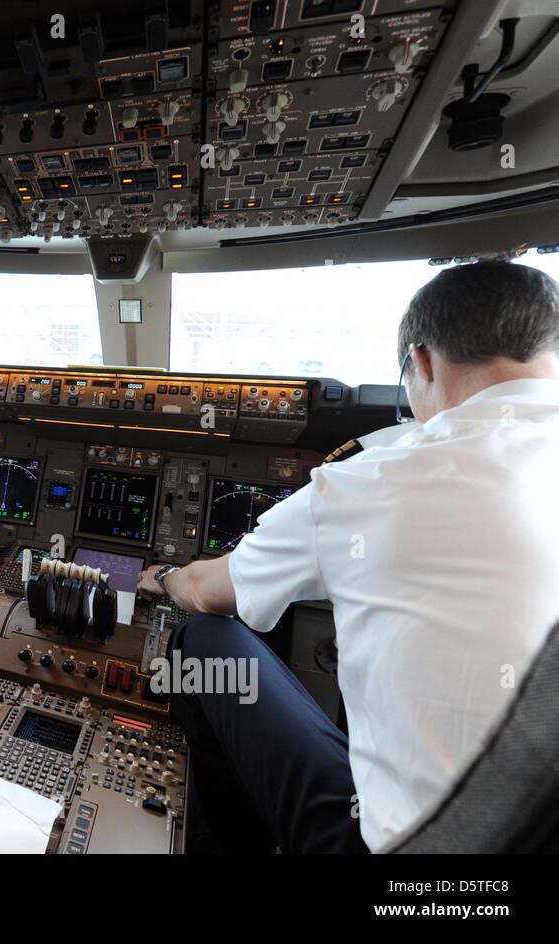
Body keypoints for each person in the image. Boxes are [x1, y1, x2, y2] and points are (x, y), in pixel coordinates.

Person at [137, 260, 559, 852]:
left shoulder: (368, 480)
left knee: (202, 638)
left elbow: (208, 593)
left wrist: (165, 576)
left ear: (421, 361)